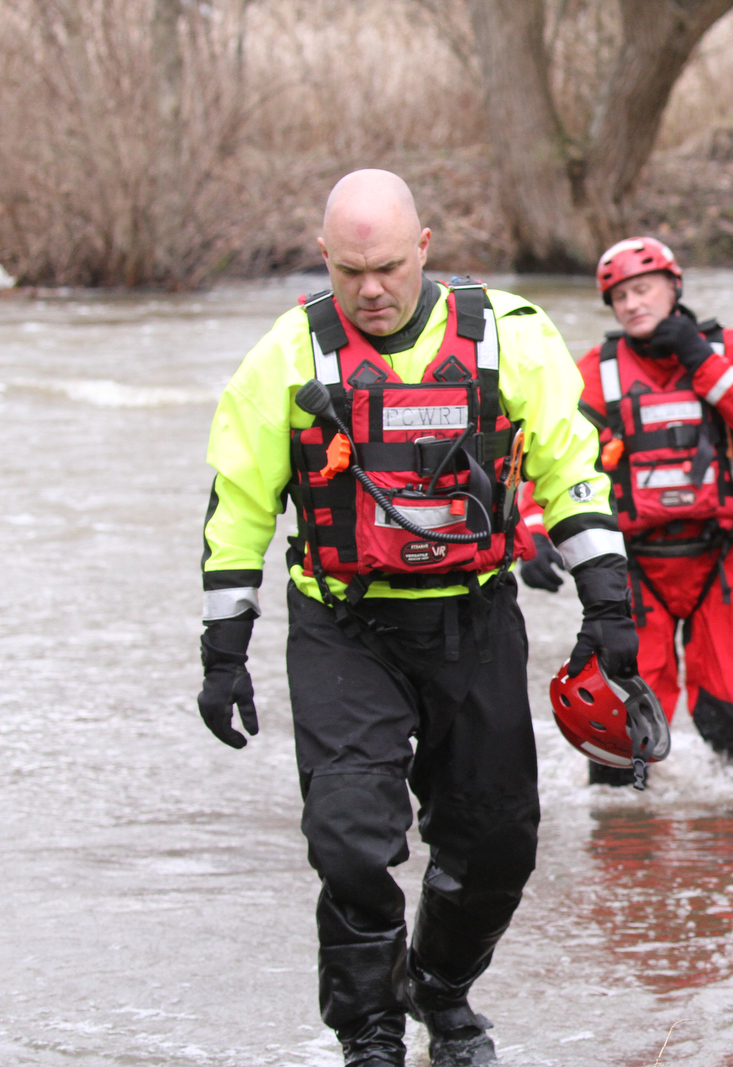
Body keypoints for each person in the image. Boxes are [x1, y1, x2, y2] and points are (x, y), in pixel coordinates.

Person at [196, 170, 639, 1067]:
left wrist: (608, 605)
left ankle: (439, 985)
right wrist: (223, 648)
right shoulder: (285, 356)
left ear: (425, 248)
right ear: (325, 257)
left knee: (499, 841)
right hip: (345, 629)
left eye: (390, 267)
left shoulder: (510, 336)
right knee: (350, 841)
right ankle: (370, 1033)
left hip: (474, 621)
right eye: (351, 270)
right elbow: (238, 504)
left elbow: (570, 468)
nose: (371, 289)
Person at [575, 237, 733, 785]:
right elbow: (558, 455)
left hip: (724, 555)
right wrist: (534, 528)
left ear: (674, 287)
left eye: (643, 289)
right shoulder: (597, 371)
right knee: (622, 724)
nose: (632, 304)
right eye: (620, 296)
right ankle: (623, 828)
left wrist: (700, 359)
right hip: (636, 565)